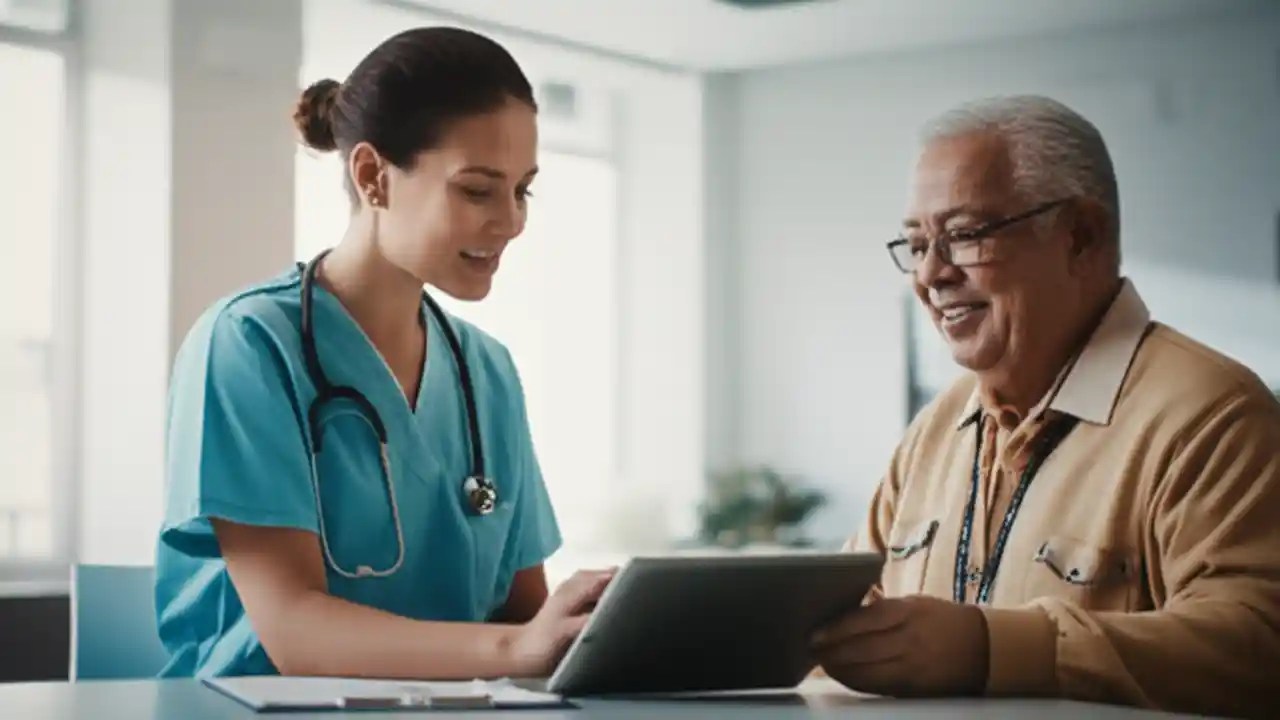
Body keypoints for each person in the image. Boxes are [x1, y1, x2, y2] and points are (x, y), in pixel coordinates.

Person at [153, 26, 612, 680]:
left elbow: (523, 622)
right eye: (478, 190)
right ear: (372, 176)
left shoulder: (488, 372)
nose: (510, 221)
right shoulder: (248, 344)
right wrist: (517, 649)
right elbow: (295, 633)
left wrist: (606, 629)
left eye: (522, 191)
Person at [813, 95, 1280, 717]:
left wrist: (990, 648)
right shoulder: (935, 431)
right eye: (916, 244)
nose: (930, 275)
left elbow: (1258, 646)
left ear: (1080, 236)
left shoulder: (1212, 414)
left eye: (963, 236)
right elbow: (841, 616)